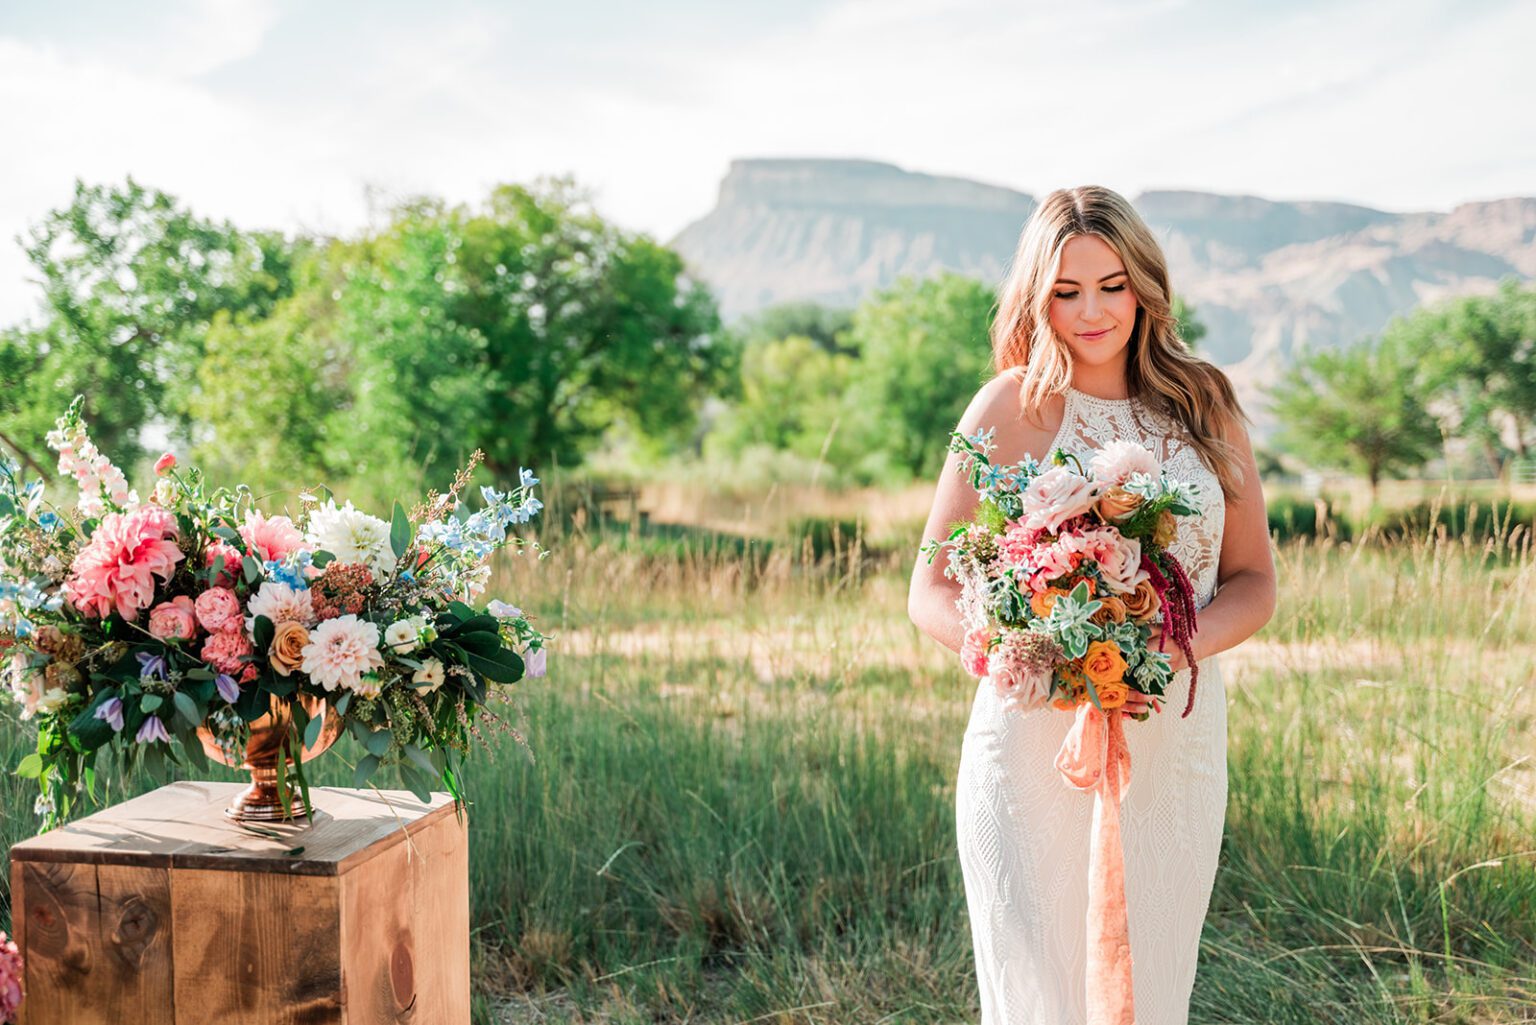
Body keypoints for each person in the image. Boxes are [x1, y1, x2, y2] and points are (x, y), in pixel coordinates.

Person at [907, 185, 1277, 1024]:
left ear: (1145, 282)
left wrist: (1167, 646)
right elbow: (928, 589)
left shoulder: (1204, 404)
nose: (1092, 311)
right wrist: (1019, 650)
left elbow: (1253, 581)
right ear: (1037, 298)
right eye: (1066, 291)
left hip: (1169, 743)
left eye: (1111, 284)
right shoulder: (1007, 406)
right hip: (1032, 739)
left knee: (1148, 993)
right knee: (1037, 992)